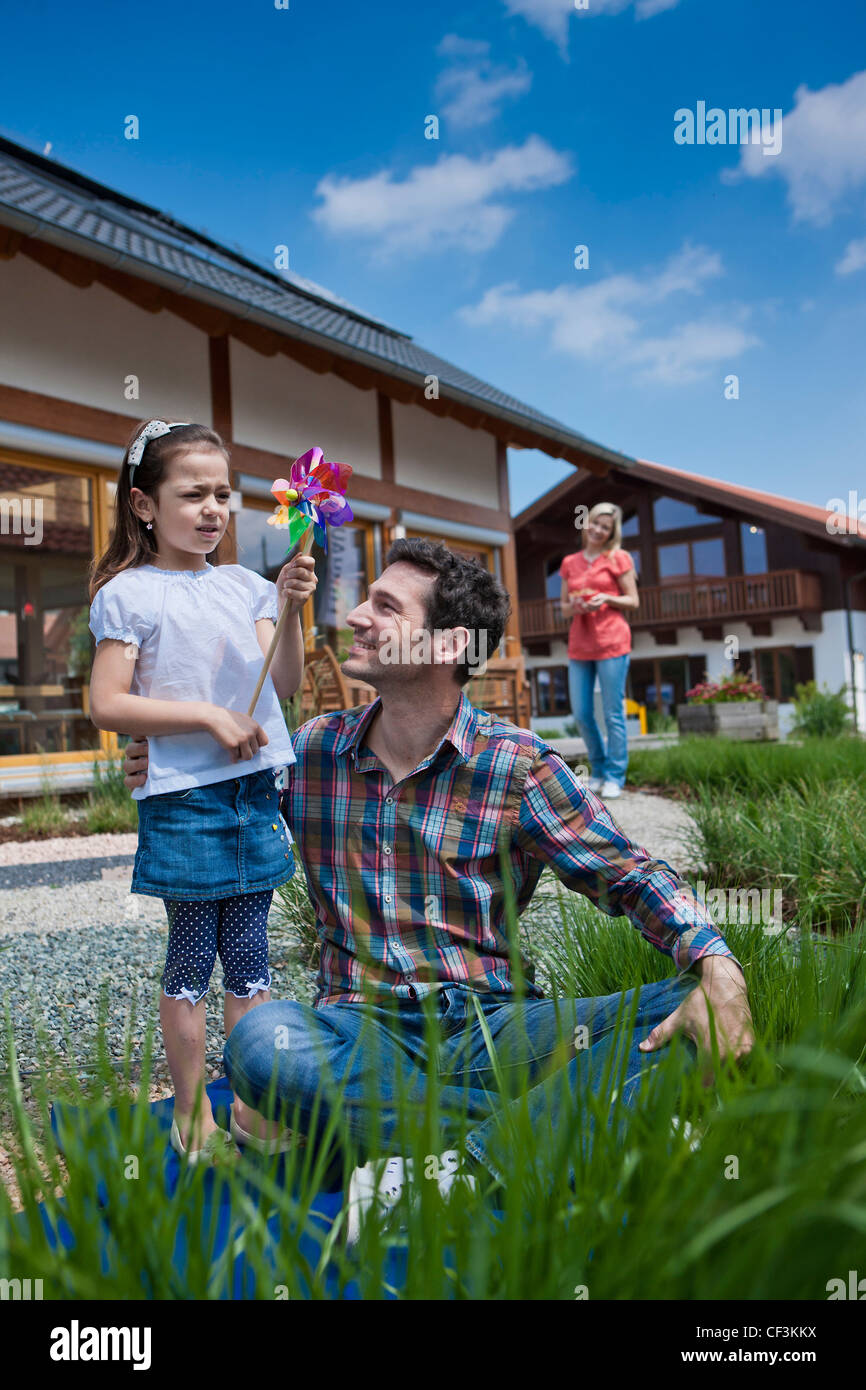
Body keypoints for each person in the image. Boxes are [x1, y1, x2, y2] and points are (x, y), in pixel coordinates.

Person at [121, 538, 753, 1228]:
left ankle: (439, 1159)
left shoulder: (517, 766)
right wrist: (167, 769)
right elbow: (216, 808)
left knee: (693, 1010)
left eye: (385, 606)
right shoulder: (309, 753)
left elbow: (629, 874)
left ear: (449, 644)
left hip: (493, 1029)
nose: (356, 616)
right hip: (354, 1029)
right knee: (259, 1044)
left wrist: (716, 962)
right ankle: (538, 1134)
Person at [89, 418, 317, 1164]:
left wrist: (290, 611)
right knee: (189, 960)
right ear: (144, 505)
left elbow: (282, 685)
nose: (214, 508)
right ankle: (192, 1116)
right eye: (193, 493)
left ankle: (251, 1104)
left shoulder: (247, 585)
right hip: (185, 800)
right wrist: (206, 716)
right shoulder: (129, 594)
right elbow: (108, 704)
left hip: (254, 794)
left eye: (224, 493)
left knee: (251, 958)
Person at [559, 502, 639, 799]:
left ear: (611, 533)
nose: (599, 530)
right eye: (596, 523)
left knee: (612, 712)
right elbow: (564, 606)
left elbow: (633, 600)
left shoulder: (619, 558)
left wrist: (605, 597)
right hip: (580, 642)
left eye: (606, 527)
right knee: (581, 712)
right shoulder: (569, 562)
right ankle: (599, 767)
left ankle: (615, 775)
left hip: (612, 641)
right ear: (586, 524)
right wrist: (577, 606)